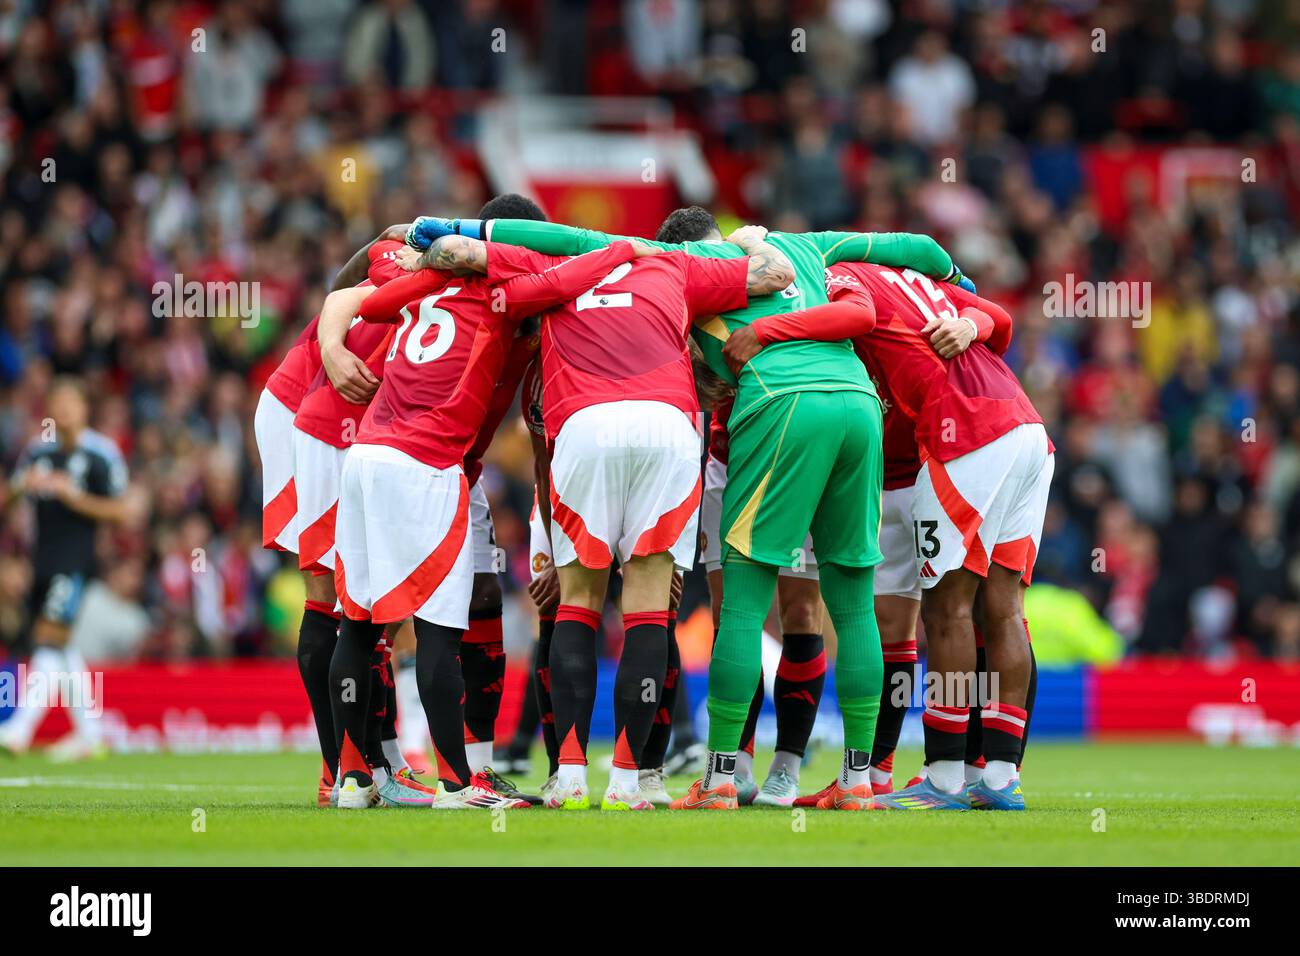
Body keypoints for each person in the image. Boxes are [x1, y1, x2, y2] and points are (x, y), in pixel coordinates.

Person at [319, 232, 647, 809]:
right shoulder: (503, 293)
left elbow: (358, 301)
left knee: (358, 622)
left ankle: (352, 781)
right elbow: (571, 278)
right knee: (439, 629)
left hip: (365, 456)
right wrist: (626, 249)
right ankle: (454, 785)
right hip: (426, 466)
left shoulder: (423, 285)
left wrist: (335, 339)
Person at [735, 261, 1049, 810]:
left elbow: (856, 312)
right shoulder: (919, 283)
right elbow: (996, 313)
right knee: (1002, 608)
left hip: (964, 439)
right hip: (1025, 429)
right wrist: (974, 322)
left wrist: (761, 331)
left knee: (946, 610)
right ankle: (999, 780)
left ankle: (946, 779)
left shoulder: (839, 279)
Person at [0, 378, 127, 758]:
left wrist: (75, 497)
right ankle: (91, 734)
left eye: (72, 403)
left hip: (76, 560)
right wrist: (23, 486)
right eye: (58, 404)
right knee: (63, 647)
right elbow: (9, 503)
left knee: (48, 638)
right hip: (41, 560)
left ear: (84, 409)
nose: (66, 411)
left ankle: (20, 730)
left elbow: (120, 511)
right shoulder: (37, 454)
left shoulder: (101, 453)